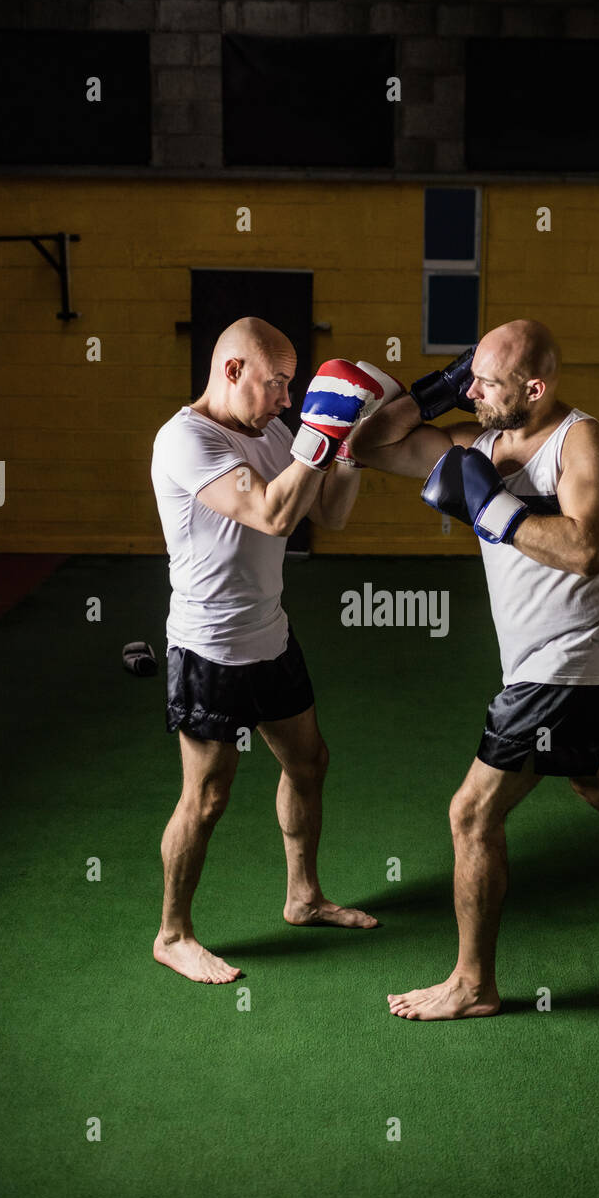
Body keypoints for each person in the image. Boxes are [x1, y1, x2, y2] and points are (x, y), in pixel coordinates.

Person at [349, 319, 599, 1021]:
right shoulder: (476, 441)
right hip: (545, 661)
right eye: (470, 375)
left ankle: (472, 984)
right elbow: (370, 443)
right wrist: (441, 385)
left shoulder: (582, 441)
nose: (474, 391)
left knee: (470, 813)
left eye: (486, 381)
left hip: (566, 663)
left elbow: (585, 548)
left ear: (536, 388)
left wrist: (493, 508)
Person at [150, 317, 386, 983]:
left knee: (309, 763)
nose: (287, 399)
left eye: (291, 385)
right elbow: (272, 514)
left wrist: (344, 449)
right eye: (276, 383)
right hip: (208, 651)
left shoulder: (275, 432)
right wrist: (319, 433)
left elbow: (328, 516)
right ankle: (173, 934)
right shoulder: (185, 439)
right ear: (231, 371)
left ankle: (303, 896)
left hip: (271, 638)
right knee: (207, 796)